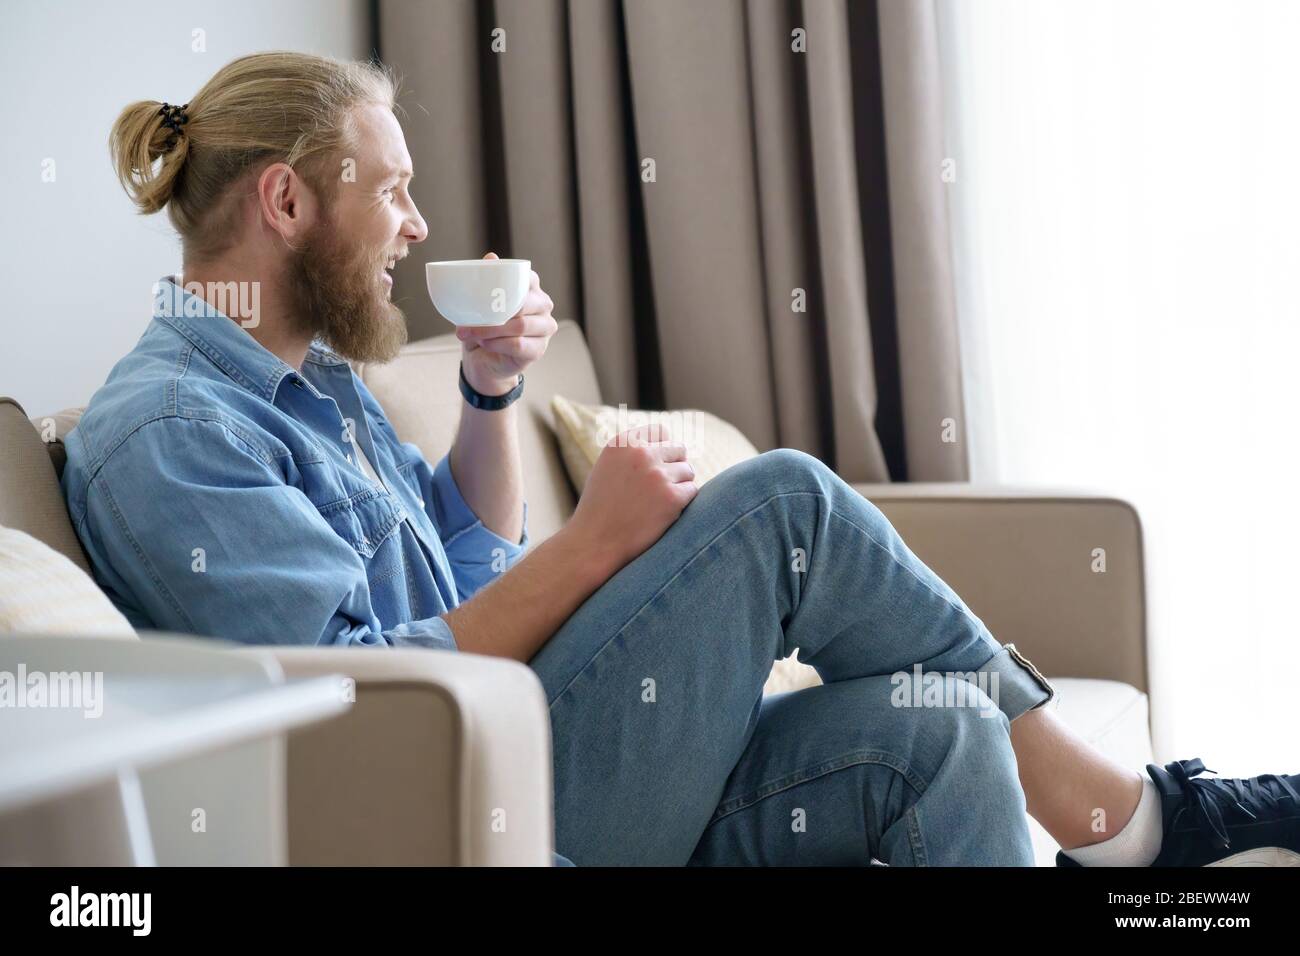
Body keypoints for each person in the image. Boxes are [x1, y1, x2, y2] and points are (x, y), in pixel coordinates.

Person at [64, 51, 1299, 867]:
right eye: (389, 191)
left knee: (945, 735)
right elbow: (368, 697)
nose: (417, 225)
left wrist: (491, 391)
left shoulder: (316, 380)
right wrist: (600, 542)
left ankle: (1134, 825)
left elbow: (466, 557)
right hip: (482, 809)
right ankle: (1150, 823)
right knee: (783, 505)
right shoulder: (174, 435)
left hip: (538, 741)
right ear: (285, 203)